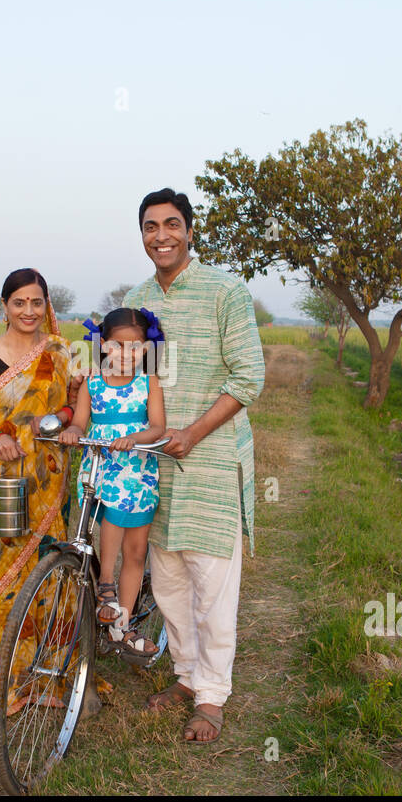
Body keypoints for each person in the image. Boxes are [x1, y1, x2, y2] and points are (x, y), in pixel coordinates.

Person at [123, 188, 265, 742]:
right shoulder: (136, 301)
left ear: (189, 231)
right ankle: (185, 675)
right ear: (142, 235)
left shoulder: (225, 290)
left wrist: (194, 432)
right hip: (151, 466)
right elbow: (121, 372)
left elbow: (248, 377)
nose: (162, 235)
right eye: (151, 226)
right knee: (171, 583)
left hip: (209, 459)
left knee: (212, 584)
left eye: (172, 224)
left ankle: (211, 696)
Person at [0, 268, 85, 714]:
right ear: (5, 306)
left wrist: (73, 422)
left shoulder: (61, 352)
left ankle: (43, 677)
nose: (29, 311)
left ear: (48, 305)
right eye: (19, 303)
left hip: (48, 483)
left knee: (48, 576)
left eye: (37, 302)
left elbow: (76, 397)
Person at [57, 307, 166, 662]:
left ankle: (123, 622)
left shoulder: (148, 382)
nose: (126, 354)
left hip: (138, 471)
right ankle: (106, 587)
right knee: (112, 518)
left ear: (146, 350)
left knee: (135, 553)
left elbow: (157, 428)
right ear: (103, 345)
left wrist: (134, 438)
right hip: (102, 468)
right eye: (117, 346)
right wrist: (72, 432)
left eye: (135, 348)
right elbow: (80, 422)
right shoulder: (93, 382)